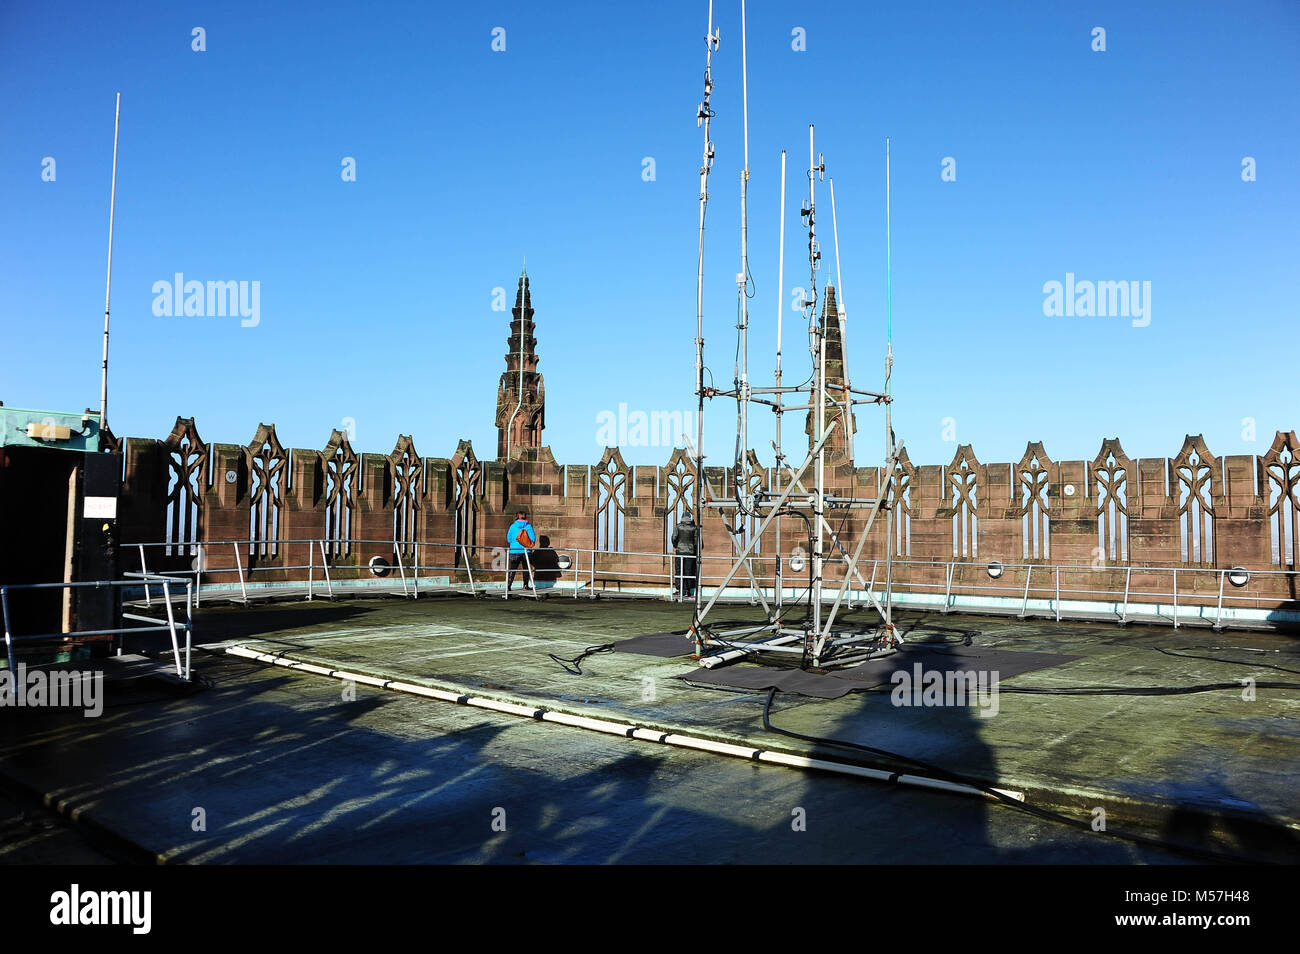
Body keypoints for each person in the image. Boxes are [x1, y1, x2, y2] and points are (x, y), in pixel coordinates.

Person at [505, 510, 537, 592]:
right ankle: (526, 586)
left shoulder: (513, 526)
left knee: (513, 568)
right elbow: (533, 539)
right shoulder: (528, 526)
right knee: (526, 568)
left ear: (516, 516)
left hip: (515, 551)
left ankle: (508, 585)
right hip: (526, 551)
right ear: (525, 517)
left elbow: (508, 539)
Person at [670, 513, 700, 598]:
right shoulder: (694, 528)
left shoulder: (678, 527)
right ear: (690, 518)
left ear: (682, 517)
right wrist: (693, 549)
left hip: (680, 552)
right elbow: (696, 540)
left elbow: (674, 538)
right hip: (690, 553)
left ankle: (679, 590)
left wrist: (676, 546)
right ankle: (688, 591)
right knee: (689, 571)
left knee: (679, 571)